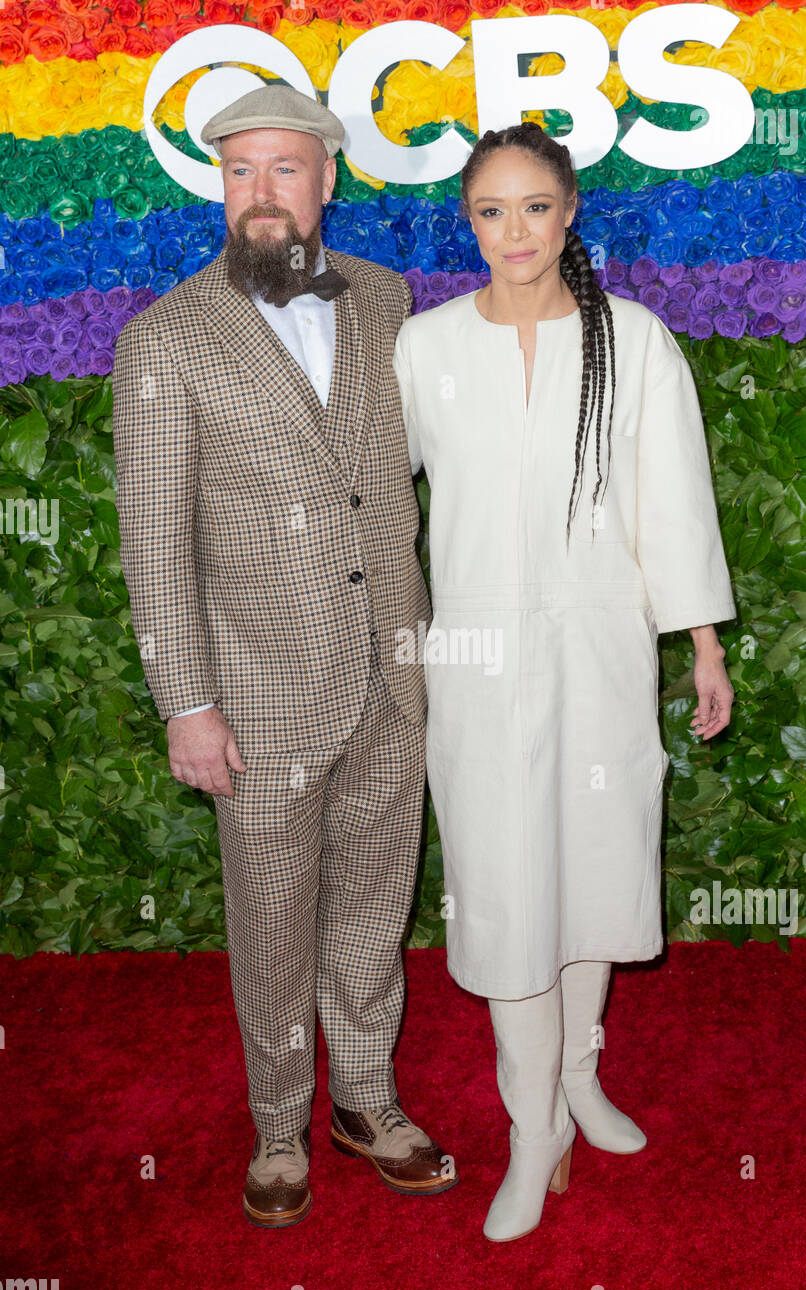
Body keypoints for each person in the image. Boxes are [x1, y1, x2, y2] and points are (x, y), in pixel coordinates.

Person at [112, 84, 458, 1229]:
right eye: (240, 170)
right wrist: (187, 702)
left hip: (390, 674)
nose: (261, 193)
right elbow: (152, 540)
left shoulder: (384, 298)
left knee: (371, 900)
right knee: (271, 923)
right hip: (254, 695)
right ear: (220, 184)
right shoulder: (164, 337)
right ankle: (278, 1124)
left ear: (329, 181)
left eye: (285, 169)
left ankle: (365, 1096)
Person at [392, 121, 736, 1242]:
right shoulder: (425, 348)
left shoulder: (632, 341)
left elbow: (672, 499)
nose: (514, 233)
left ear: (570, 210)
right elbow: (372, 500)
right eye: (490, 212)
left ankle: (580, 1078)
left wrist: (701, 643)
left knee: (591, 870)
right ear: (468, 224)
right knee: (502, 892)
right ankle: (529, 1127)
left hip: (600, 650)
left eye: (533, 207)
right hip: (477, 663)